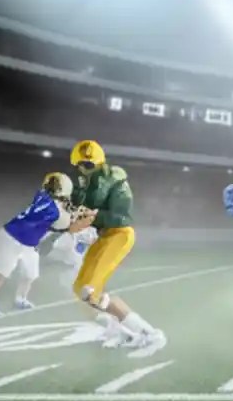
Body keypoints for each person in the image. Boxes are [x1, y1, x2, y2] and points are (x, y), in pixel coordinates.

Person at [68, 140, 166, 357]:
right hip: (103, 236)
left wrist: (94, 216)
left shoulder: (116, 182)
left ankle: (150, 334)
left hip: (120, 234)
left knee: (90, 292)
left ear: (99, 163)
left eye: (88, 164)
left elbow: (122, 217)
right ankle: (120, 331)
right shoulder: (85, 184)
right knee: (80, 288)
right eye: (81, 165)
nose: (84, 169)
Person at [0, 173, 76, 317]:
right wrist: (73, 215)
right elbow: (63, 223)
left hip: (26, 243)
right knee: (3, 270)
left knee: (31, 273)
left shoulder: (41, 195)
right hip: (10, 238)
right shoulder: (55, 212)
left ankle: (20, 299)